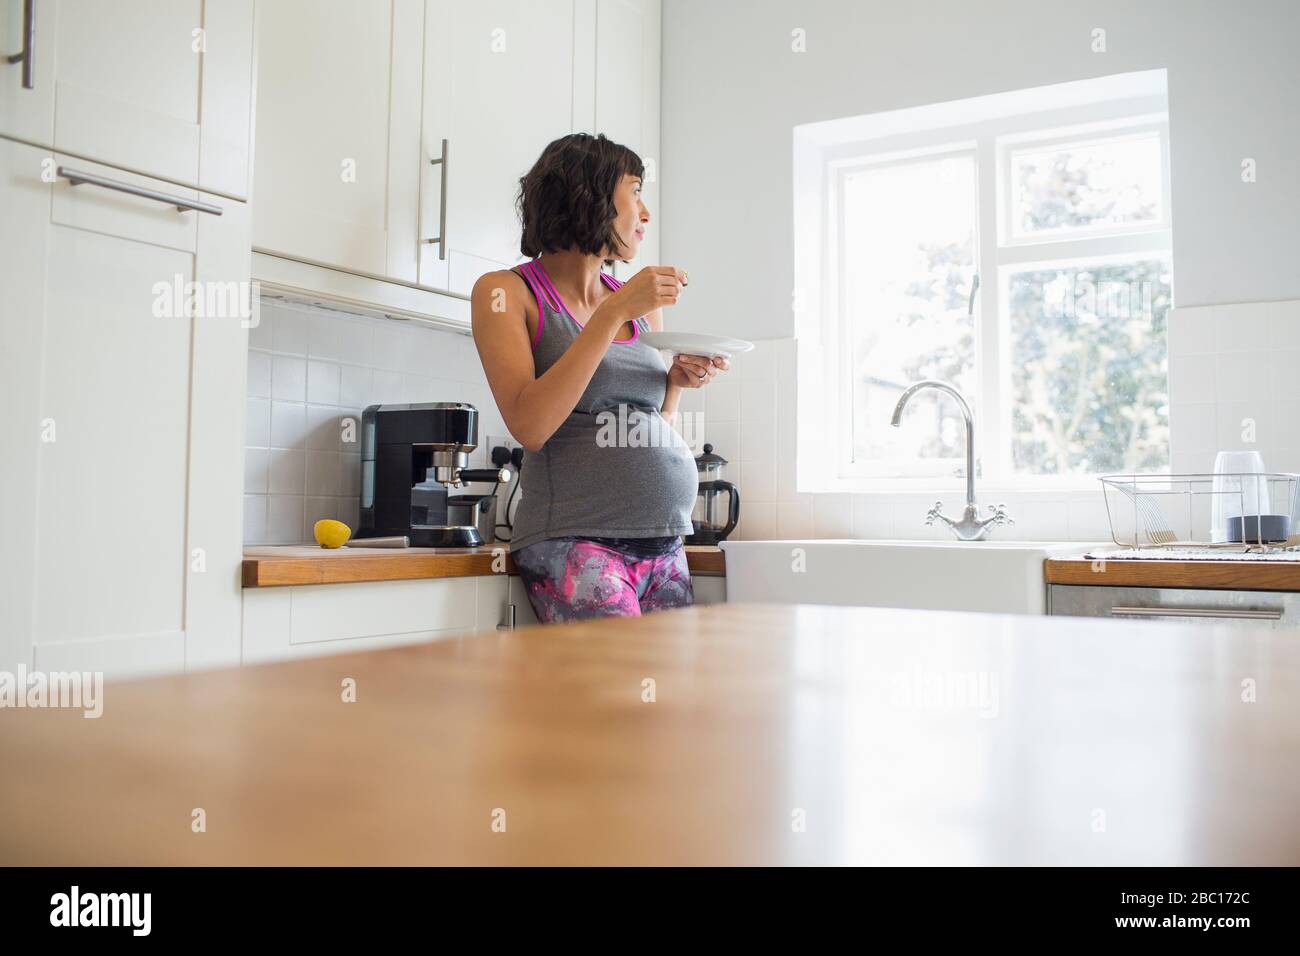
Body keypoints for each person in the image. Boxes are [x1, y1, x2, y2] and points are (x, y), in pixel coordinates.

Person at [470, 132, 727, 623]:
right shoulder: (506, 292)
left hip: (664, 541)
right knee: (621, 696)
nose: (646, 213)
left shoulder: (637, 308)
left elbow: (655, 422)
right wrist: (613, 312)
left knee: (669, 698)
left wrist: (675, 382)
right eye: (635, 191)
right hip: (575, 540)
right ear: (588, 194)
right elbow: (530, 424)